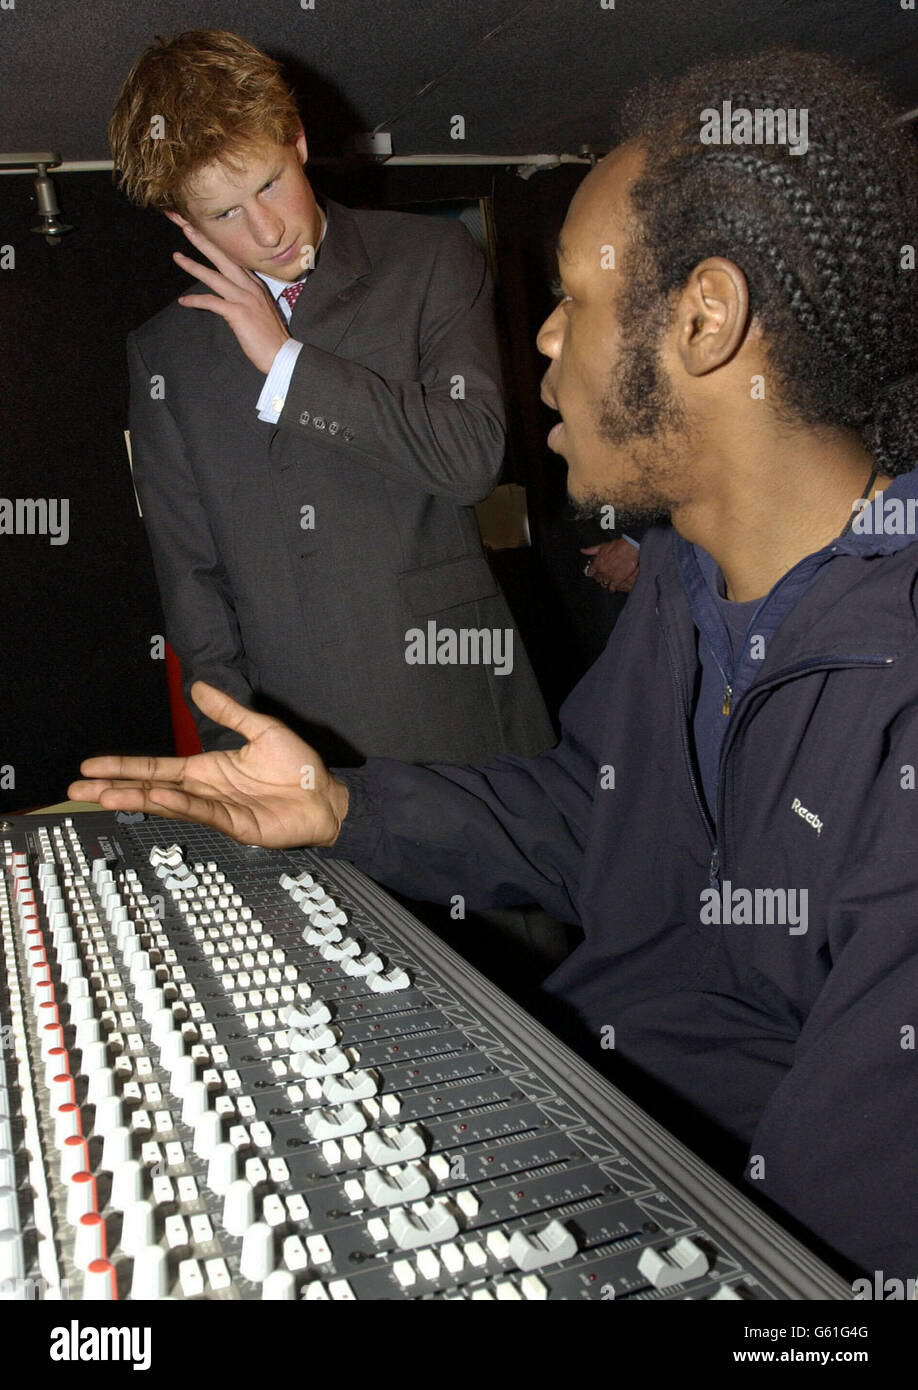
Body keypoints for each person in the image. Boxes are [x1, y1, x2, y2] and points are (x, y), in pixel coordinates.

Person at [75, 50, 918, 1280]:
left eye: (574, 292)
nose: (541, 332)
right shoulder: (690, 585)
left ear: (706, 318)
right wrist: (342, 805)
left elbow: (836, 1242)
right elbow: (595, 818)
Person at [108, 29, 553, 765]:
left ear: (298, 139)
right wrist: (234, 748)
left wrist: (285, 360)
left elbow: (472, 459)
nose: (268, 229)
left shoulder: (429, 258)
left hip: (454, 706)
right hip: (295, 731)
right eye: (223, 215)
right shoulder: (165, 352)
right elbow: (191, 581)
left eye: (269, 184)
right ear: (178, 220)